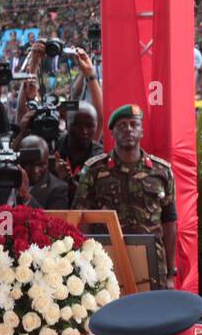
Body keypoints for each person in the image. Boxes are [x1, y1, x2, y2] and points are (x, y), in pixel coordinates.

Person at [74, 103, 179, 288]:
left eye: (133, 124)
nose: (128, 129)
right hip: (106, 259)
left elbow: (169, 223)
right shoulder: (94, 170)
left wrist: (170, 273)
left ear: (142, 131)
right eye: (121, 125)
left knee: (153, 314)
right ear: (112, 133)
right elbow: (83, 220)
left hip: (152, 262)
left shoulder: (162, 171)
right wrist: (83, 265)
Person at [17, 135, 70, 209]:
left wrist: (26, 197)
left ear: (48, 161)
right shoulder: (3, 181)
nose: (35, 170)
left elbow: (53, 220)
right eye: (29, 164)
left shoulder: (58, 188)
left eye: (41, 165)